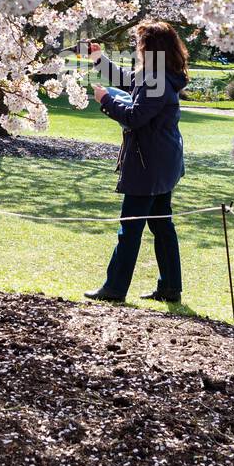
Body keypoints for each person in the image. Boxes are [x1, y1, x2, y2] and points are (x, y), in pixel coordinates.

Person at [83, 22, 188, 303]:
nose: (137, 48)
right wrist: (98, 59)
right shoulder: (158, 74)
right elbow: (130, 81)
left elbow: (135, 117)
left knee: (130, 227)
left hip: (149, 164)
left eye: (139, 43)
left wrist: (106, 100)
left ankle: (115, 288)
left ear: (150, 47)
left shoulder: (157, 77)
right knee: (161, 225)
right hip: (161, 162)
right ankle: (170, 288)